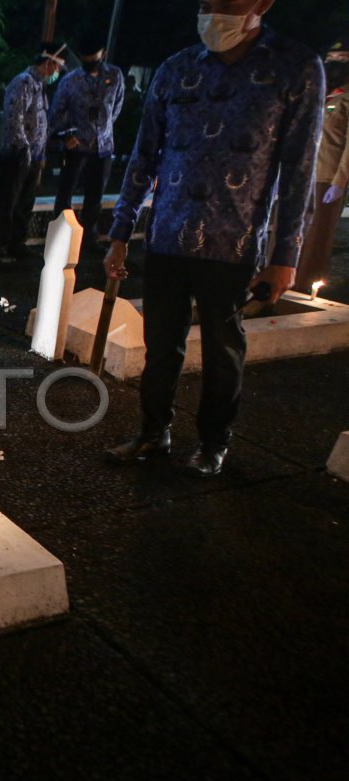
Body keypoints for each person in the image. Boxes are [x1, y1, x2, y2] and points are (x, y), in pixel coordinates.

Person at [104, 0, 324, 478]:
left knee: (224, 348)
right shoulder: (176, 69)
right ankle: (152, 430)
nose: (215, 12)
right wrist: (120, 232)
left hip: (234, 244)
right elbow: (142, 158)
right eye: (207, 3)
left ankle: (212, 442)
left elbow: (299, 172)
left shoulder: (295, 68)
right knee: (161, 343)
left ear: (262, 4)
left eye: (229, 2)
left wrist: (285, 256)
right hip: (165, 236)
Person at [49, 30, 125, 250]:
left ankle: (89, 239)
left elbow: (116, 108)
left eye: (94, 57)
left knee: (95, 197)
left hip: (102, 147)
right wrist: (65, 136)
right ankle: (60, 239)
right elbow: (57, 113)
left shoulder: (115, 76)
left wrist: (103, 128)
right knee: (65, 194)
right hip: (76, 146)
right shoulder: (70, 81)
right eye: (86, 58)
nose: (90, 62)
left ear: (104, 53)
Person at [0, 44, 65, 262]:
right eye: (57, 66)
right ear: (48, 62)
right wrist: (23, 147)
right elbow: (15, 117)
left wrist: (39, 153)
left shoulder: (39, 87)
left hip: (34, 155)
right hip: (17, 153)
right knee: (8, 202)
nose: (57, 72)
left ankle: (17, 243)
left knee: (25, 202)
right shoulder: (23, 82)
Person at [296, 36, 349, 288]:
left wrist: (340, 181)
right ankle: (278, 281)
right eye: (331, 59)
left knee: (317, 235)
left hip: (326, 177)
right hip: (302, 172)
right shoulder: (320, 91)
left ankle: (305, 285)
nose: (335, 64)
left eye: (342, 60)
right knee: (291, 231)